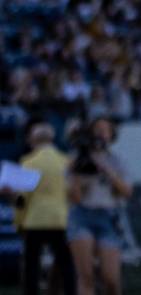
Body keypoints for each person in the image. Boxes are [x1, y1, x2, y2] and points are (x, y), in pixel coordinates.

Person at [66, 117, 130, 295]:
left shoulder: (116, 160)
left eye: (106, 129)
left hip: (107, 215)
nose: (101, 133)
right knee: (86, 276)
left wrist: (107, 170)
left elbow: (126, 191)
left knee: (111, 279)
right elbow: (74, 198)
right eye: (98, 128)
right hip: (82, 214)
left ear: (111, 134)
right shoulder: (77, 158)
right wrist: (77, 173)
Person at [15, 121, 76, 295]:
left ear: (32, 141)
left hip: (34, 220)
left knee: (32, 265)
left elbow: (22, 198)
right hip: (61, 219)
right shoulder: (65, 161)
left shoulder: (28, 162)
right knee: (66, 264)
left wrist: (18, 222)